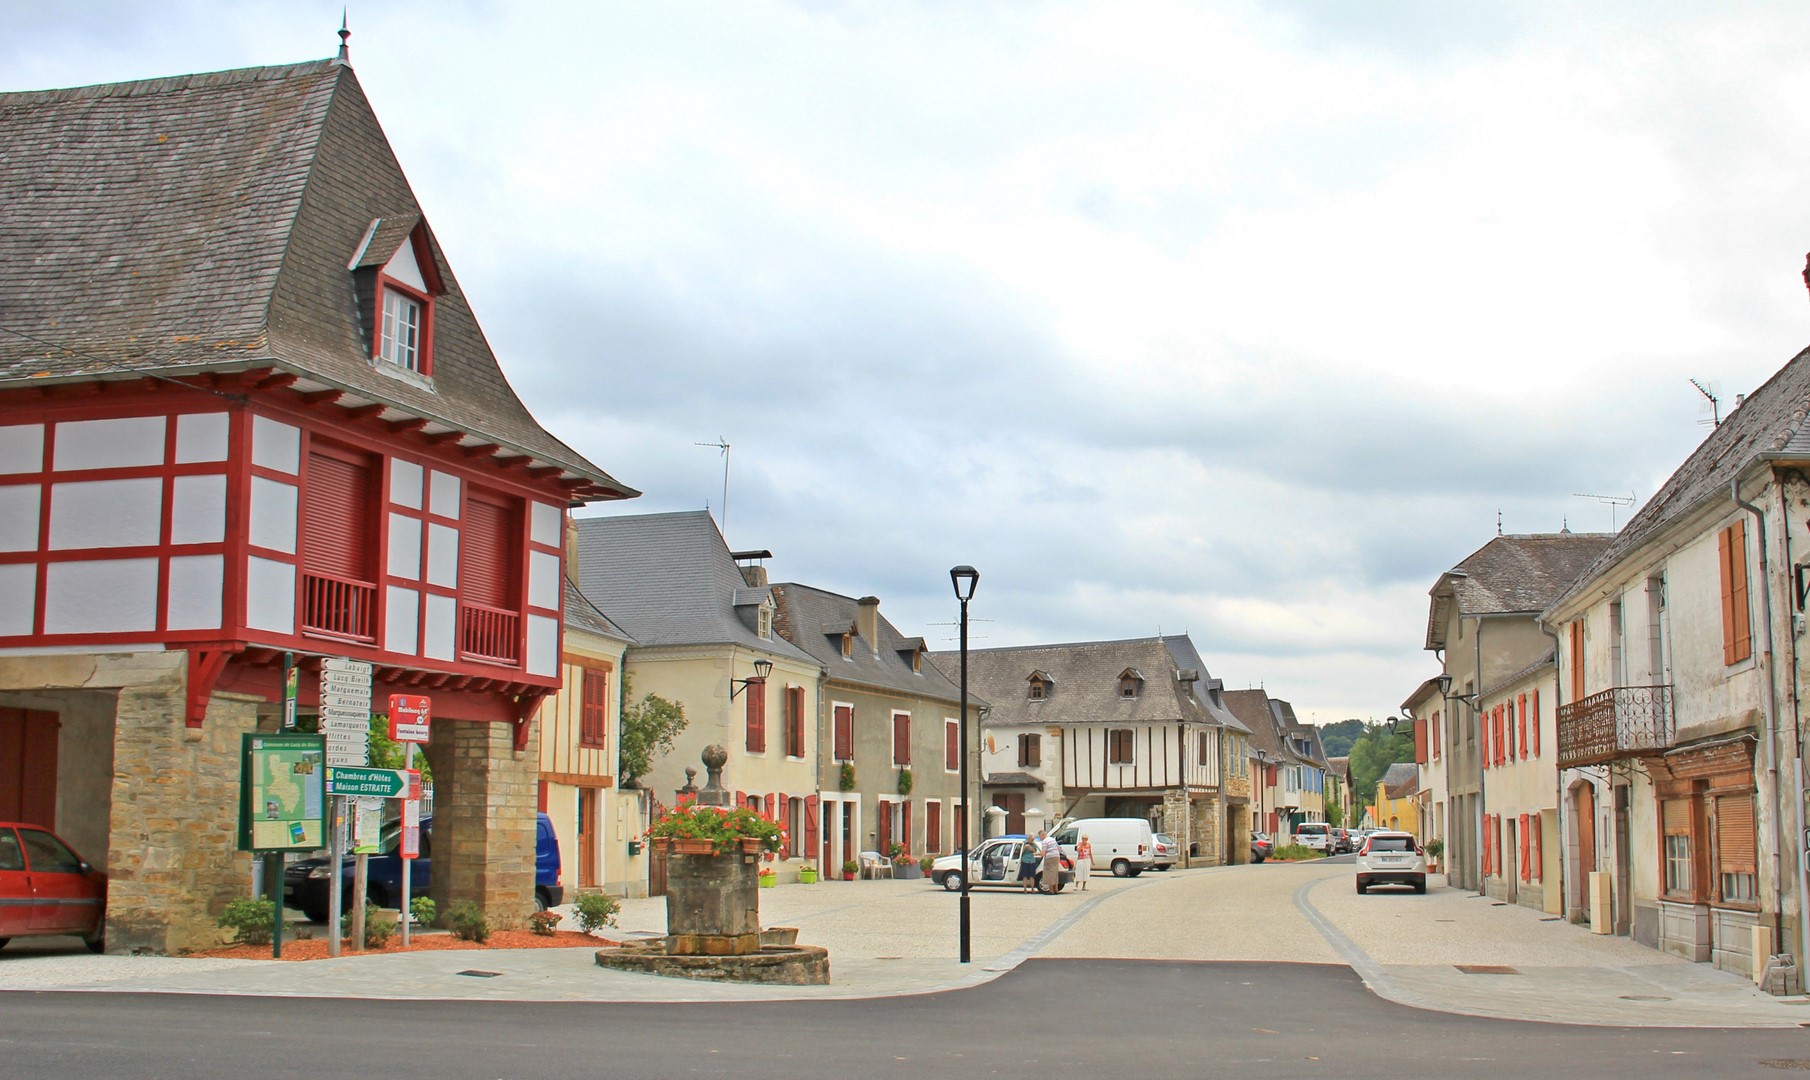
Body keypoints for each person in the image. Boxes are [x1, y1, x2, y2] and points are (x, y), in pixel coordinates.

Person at [1038, 829, 1062, 894]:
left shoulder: (1044, 841)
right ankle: (1056, 889)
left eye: (1040, 836)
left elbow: (1043, 852)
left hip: (1050, 857)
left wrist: (1037, 854)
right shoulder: (1052, 839)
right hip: (1056, 856)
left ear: (1042, 835)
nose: (1040, 838)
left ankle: (1051, 890)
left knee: (1049, 872)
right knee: (1055, 872)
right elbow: (1059, 849)